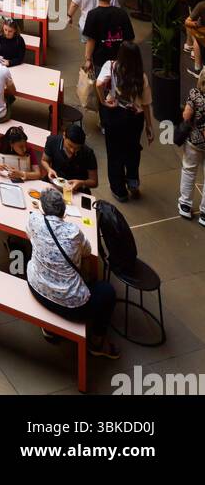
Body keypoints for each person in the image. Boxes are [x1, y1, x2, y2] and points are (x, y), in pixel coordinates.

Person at [26, 187, 118, 359]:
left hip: (37, 288)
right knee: (107, 291)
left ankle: (49, 327)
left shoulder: (34, 220)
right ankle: (97, 342)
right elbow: (88, 252)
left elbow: (29, 236)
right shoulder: (74, 232)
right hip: (70, 306)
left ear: (43, 208)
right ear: (64, 211)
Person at [96, 39, 153, 201]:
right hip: (135, 119)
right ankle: (133, 181)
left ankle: (119, 189)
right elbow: (146, 103)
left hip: (115, 116)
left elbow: (99, 84)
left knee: (114, 152)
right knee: (133, 150)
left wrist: (103, 101)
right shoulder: (141, 76)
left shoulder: (111, 66)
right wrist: (149, 126)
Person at [83, 0, 134, 75]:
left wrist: (88, 59)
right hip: (119, 59)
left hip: (100, 60)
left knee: (101, 84)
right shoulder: (122, 13)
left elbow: (91, 40)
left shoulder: (92, 14)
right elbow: (130, 38)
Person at [178, 69, 205, 222]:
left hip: (194, 141)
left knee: (189, 171)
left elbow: (186, 116)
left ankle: (185, 205)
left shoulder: (195, 94)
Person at [42, 122, 99, 194]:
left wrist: (81, 183)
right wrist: (49, 169)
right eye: (70, 146)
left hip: (76, 190)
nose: (72, 150)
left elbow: (94, 182)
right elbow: (44, 160)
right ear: (64, 135)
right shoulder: (52, 141)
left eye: (77, 148)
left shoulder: (88, 153)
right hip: (55, 183)